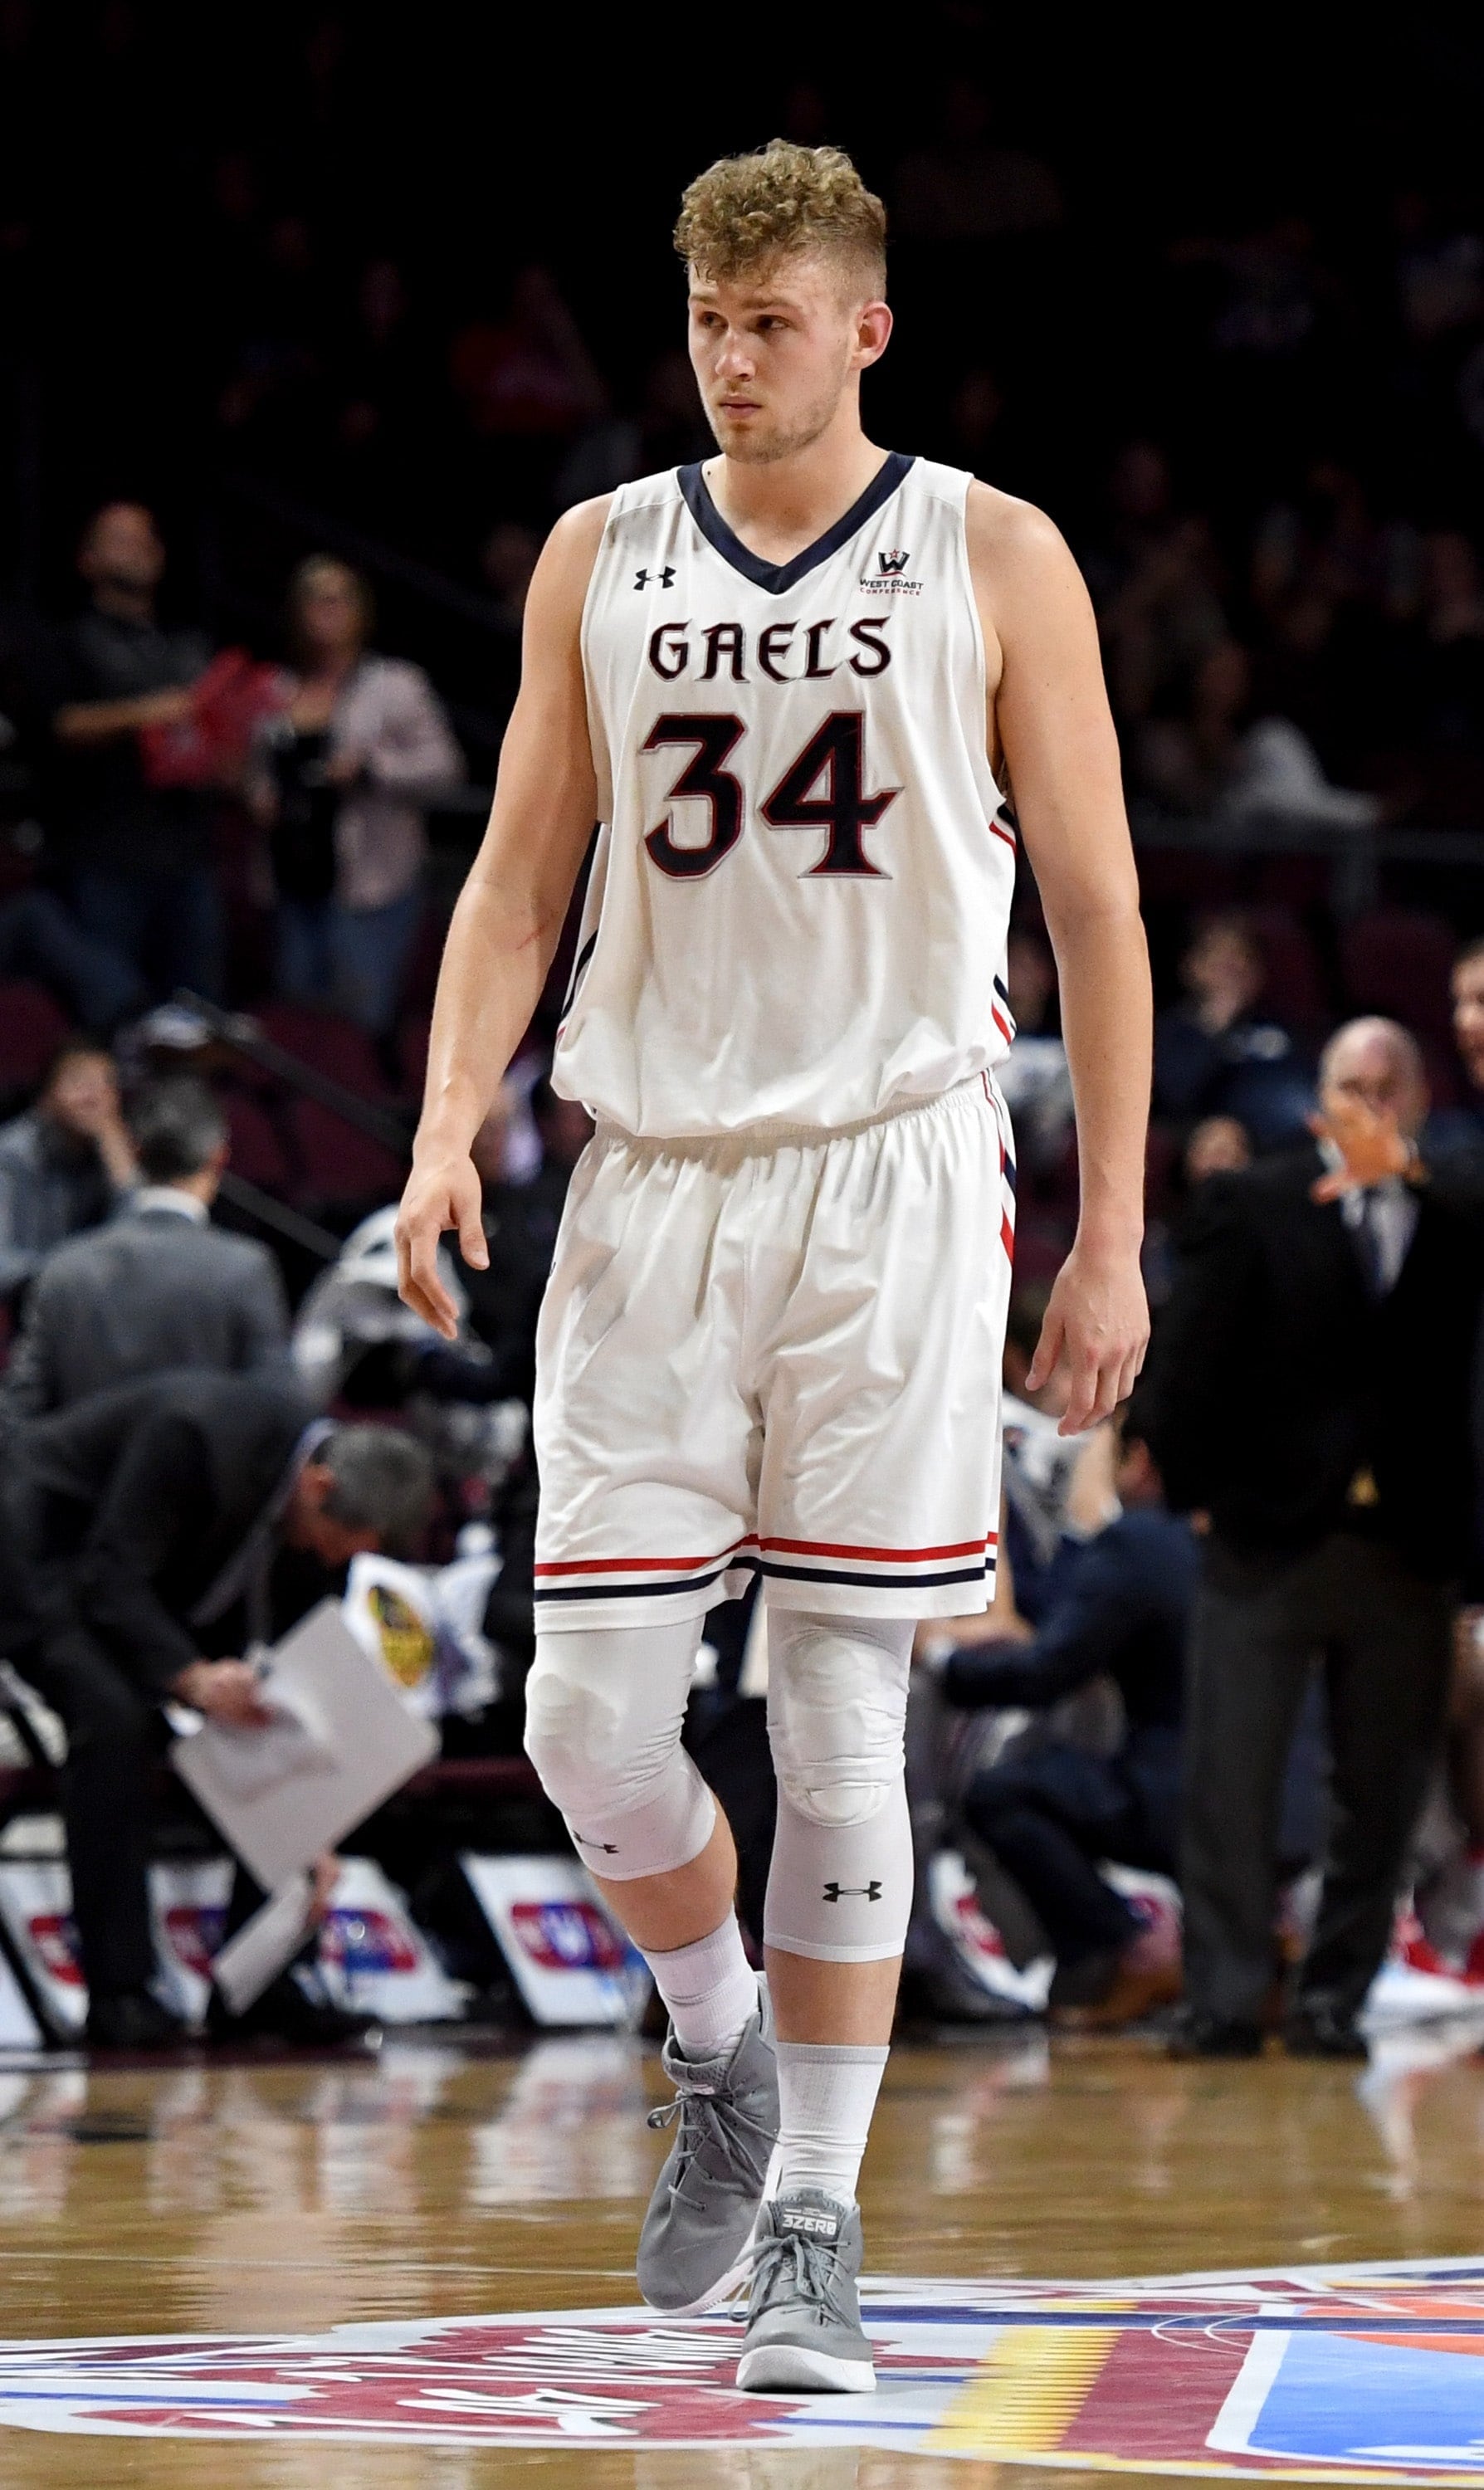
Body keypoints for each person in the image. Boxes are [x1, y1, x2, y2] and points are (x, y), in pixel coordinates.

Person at [396, 139, 1149, 2393]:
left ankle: (814, 2219)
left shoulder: (990, 551)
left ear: (867, 324)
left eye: (777, 322)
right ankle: (719, 2041)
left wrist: (1105, 1239)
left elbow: (1097, 911)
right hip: (648, 1176)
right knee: (583, 1725)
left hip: (893, 1172)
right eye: (709, 324)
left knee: (838, 1714)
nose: (735, 361)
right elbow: (518, 882)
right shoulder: (597, 554)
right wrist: (445, 1124)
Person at [1137, 1017, 1484, 2059]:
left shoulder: (1455, 1209)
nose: (1370, 1104)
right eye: (1351, 1084)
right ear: (1316, 1097)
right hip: (1268, 1539)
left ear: (1418, 1099)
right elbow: (1187, 1356)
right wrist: (1196, 1488)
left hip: (1408, 1548)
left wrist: (1412, 1176)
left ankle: (1336, 1997)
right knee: (1232, 1785)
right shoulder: (1256, 1201)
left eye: (1391, 1085)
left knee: (1382, 1794)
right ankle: (1228, 2000)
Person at [0, 1373, 435, 2050]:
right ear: (318, 1489)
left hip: (150, 1583)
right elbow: (110, 1577)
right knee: (115, 1722)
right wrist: (191, 1677)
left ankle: (259, 1985)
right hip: (43, 1560)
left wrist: (313, 1827)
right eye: (345, 1542)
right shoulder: (197, 1437)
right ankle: (119, 1996)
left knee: (292, 1721)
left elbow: (295, 1676)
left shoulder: (325, 1515)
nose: (346, 1560)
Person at [930, 1419, 1194, 2024]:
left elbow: (1049, 1658)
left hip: (1181, 1806)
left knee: (1004, 1794)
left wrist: (941, 1663)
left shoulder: (1140, 1542)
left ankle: (1128, 1945)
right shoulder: (1252, 1543)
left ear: (1140, 1461)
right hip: (1295, 1812)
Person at [248, 555, 464, 1038]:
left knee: (358, 1025)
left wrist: (370, 769)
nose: (328, 610)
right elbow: (254, 769)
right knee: (295, 1021)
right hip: (291, 878)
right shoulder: (275, 690)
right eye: (315, 599)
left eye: (339, 598)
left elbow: (444, 767)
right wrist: (257, 795)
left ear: (360, 610)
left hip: (369, 883)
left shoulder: (394, 684)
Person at [4, 1075, 290, 1414]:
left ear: (135, 1152)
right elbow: (277, 1409)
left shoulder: (65, 1267)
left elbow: (17, 1413)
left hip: (83, 1467)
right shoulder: (245, 1269)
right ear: (219, 1157)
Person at [45, 503, 222, 1002]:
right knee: (111, 1004)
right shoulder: (67, 641)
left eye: (146, 539)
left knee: (194, 1010)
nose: (137, 550)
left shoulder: (185, 644)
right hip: (104, 857)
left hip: (186, 854)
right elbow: (57, 723)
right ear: (88, 559)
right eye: (119, 539)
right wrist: (149, 712)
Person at [0, 1039, 137, 1304]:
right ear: (45, 1098)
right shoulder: (10, 1156)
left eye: (106, 1084)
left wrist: (124, 1176)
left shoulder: (113, 1154)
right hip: (28, 1308)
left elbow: (141, 1250)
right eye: (79, 1083)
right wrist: (72, 1278)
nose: (94, 1098)